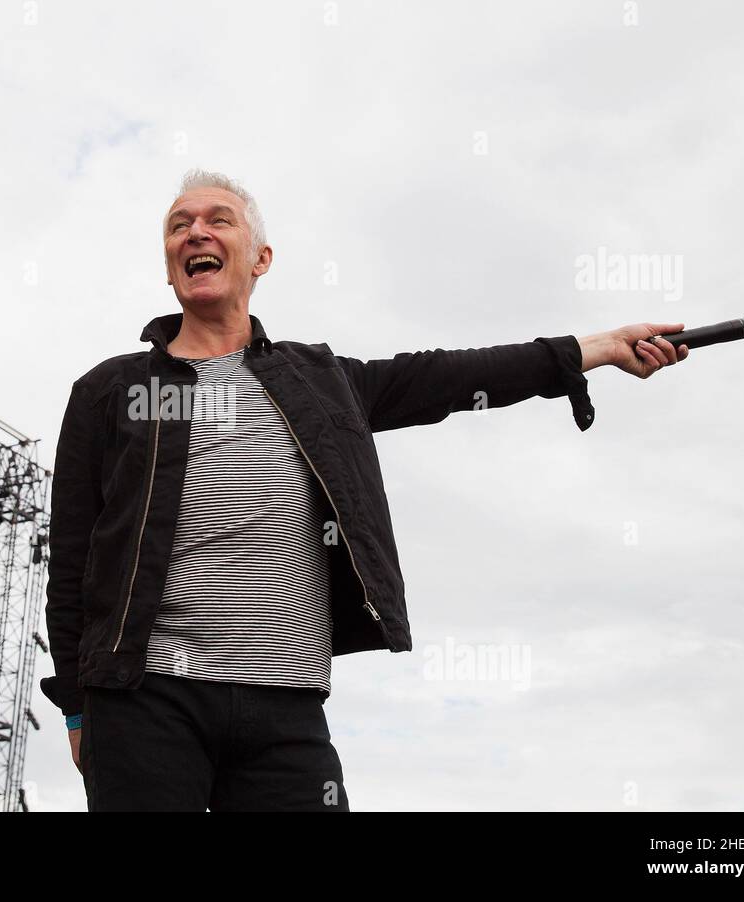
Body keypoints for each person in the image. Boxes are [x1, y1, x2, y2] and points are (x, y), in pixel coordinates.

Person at [39, 168, 690, 812]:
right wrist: (76, 708)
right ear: (169, 265)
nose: (195, 233)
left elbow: (452, 377)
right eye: (179, 225)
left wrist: (597, 348)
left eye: (217, 220)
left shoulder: (323, 382)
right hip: (144, 699)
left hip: (286, 708)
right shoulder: (110, 391)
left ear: (261, 258)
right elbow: (71, 560)